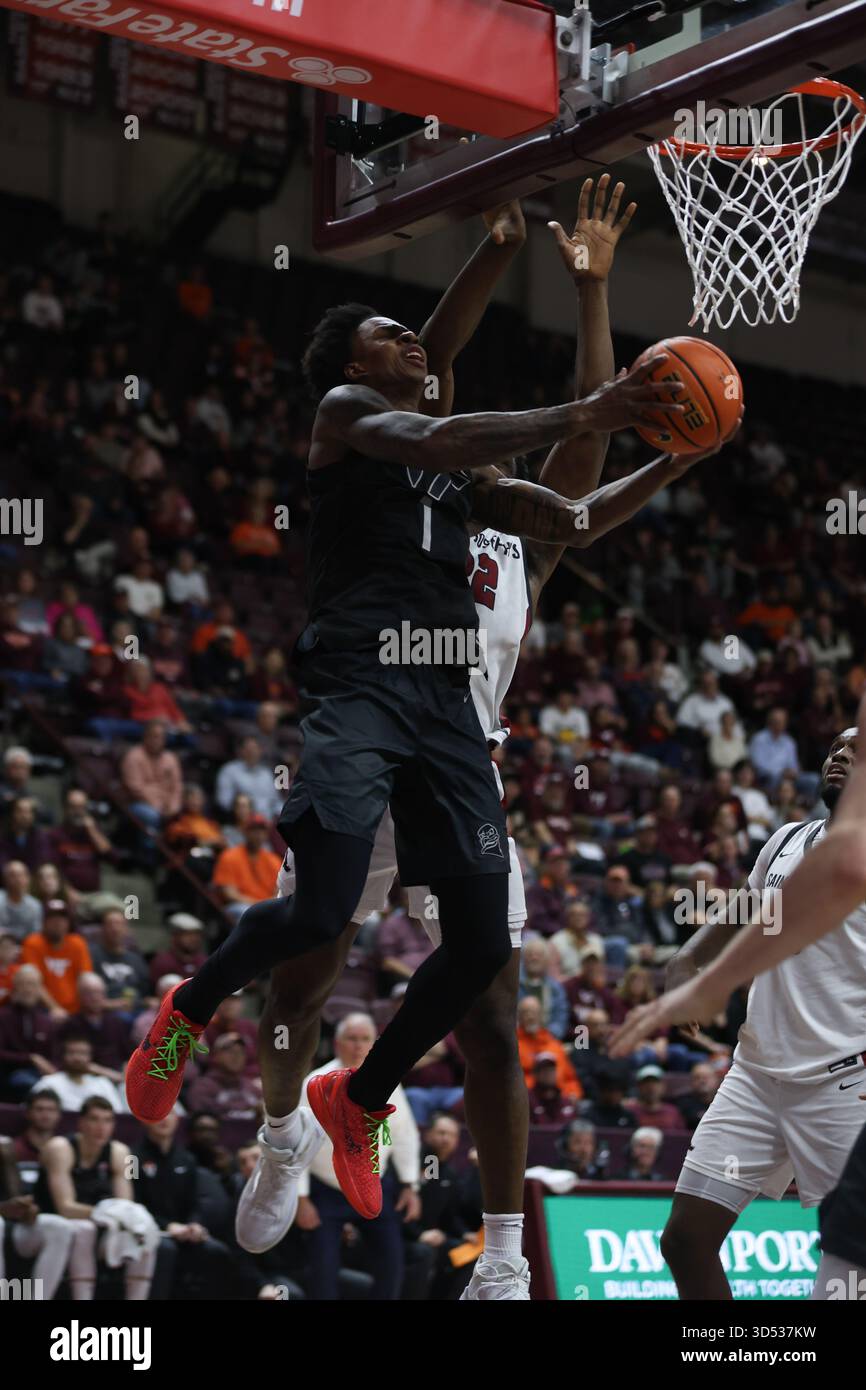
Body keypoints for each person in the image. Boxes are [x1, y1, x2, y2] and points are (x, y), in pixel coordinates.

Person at [124, 185, 691, 1241]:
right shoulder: (363, 429)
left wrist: (660, 438)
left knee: (482, 958)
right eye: (395, 341)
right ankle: (227, 1063)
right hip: (363, 693)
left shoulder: (484, 512)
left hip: (449, 728)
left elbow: (570, 498)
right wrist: (567, 382)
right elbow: (440, 386)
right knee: (312, 936)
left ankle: (365, 1098)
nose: (421, 356)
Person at [610, 718, 866, 1300]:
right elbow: (748, 910)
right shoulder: (786, 838)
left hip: (845, 1082)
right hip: (755, 1073)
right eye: (835, 749)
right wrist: (687, 960)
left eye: (857, 750)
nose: (841, 756)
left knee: (848, 1270)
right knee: (684, 1240)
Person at [294, 1013, 421, 1301]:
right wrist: (300, 1198)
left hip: (376, 1184)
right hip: (325, 1190)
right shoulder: (314, 1083)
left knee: (391, 1264)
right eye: (352, 1039)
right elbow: (297, 1142)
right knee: (322, 1269)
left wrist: (410, 1184)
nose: (358, 1046)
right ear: (337, 1043)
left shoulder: (389, 1082)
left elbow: (404, 1135)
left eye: (365, 1039)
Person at [35, 1097, 157, 1299]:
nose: (101, 1127)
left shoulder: (123, 1153)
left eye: (108, 1121)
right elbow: (65, 1207)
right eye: (94, 1120)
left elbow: (125, 1205)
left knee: (144, 1229)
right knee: (85, 1229)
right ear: (80, 1123)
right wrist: (108, 1214)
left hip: (103, 1224)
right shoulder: (59, 1148)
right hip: (52, 1223)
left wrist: (128, 1218)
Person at [0, 1132, 73, 1300]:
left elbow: (14, 1196)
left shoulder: (4, 1146)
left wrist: (25, 1209)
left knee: (58, 1226)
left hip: (11, 1228)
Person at [20, 900, 93, 1017]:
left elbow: (84, 978)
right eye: (52, 918)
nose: (57, 922)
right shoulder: (33, 942)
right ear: (44, 922)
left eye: (62, 918)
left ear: (69, 922)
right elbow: (34, 983)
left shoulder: (78, 943)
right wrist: (55, 1008)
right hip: (42, 1010)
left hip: (76, 1010)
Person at [32, 1036, 122, 1113]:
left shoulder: (103, 1083)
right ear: (63, 1056)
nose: (77, 1058)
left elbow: (118, 1114)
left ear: (90, 1057)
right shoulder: (48, 1083)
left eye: (82, 1053)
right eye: (72, 1052)